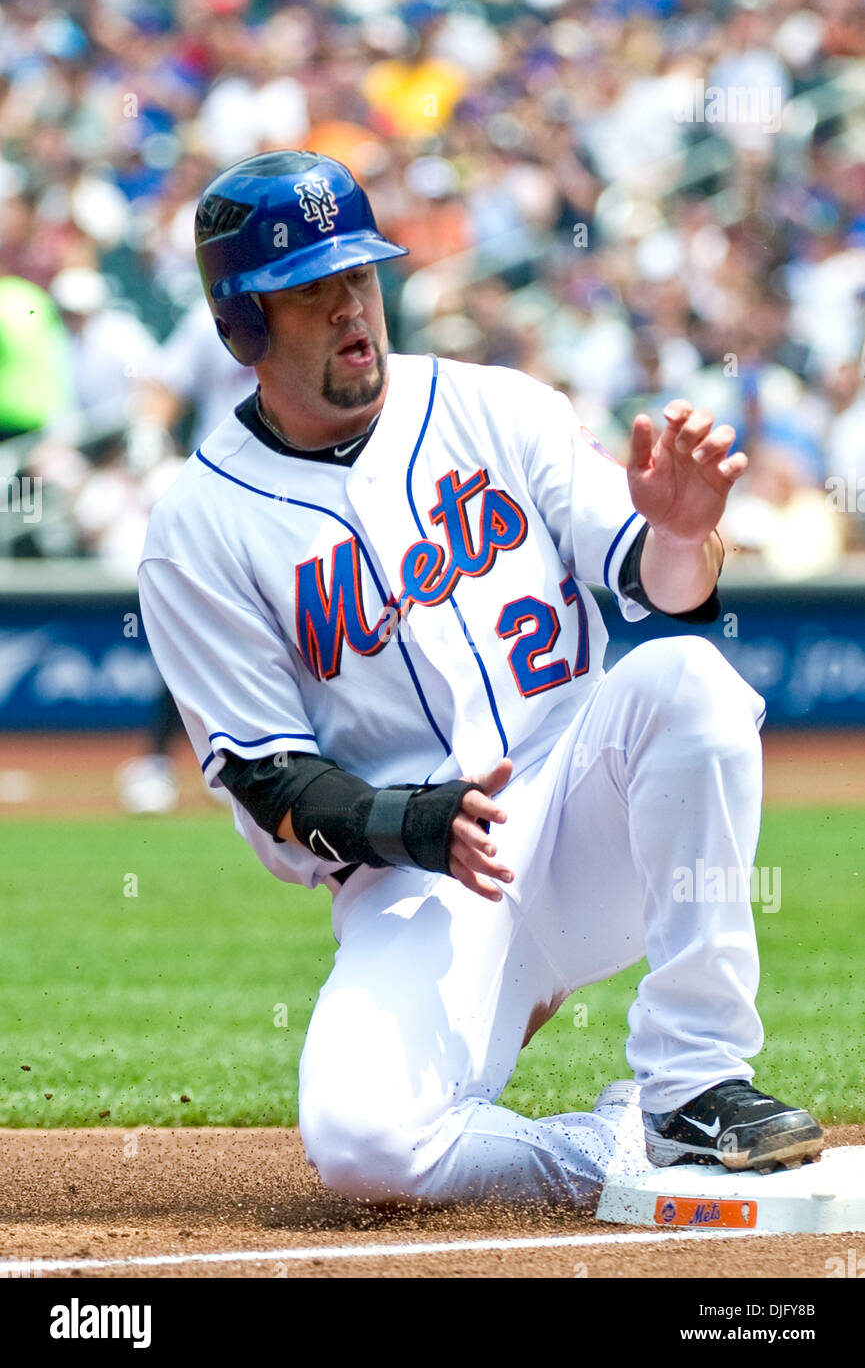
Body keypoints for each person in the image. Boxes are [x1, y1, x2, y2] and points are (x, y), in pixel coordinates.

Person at [138, 151, 823, 1209]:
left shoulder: (492, 405)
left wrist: (684, 534)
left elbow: (655, 580)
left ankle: (696, 1082)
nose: (349, 309)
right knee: (366, 1145)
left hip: (588, 803)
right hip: (417, 875)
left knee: (691, 680)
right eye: (310, 293)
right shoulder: (197, 529)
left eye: (358, 277)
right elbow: (267, 775)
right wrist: (412, 826)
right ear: (243, 325)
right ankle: (611, 1151)